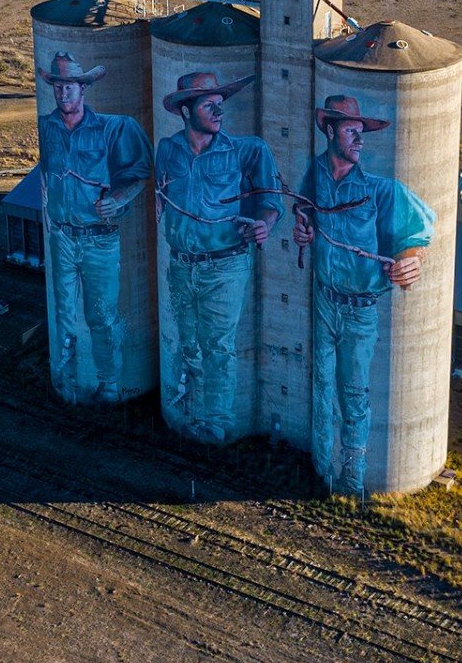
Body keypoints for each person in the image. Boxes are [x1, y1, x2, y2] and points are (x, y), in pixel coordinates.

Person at [292, 93, 435, 495]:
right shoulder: (315, 174)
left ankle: (352, 478)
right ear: (330, 131)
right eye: (351, 131)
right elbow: (303, 210)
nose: (359, 139)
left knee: (353, 393)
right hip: (323, 301)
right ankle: (322, 468)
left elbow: (416, 236)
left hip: (359, 311)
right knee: (321, 385)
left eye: (362, 132)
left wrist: (411, 261)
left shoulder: (380, 191)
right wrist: (302, 226)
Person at [153, 70, 280, 443]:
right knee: (188, 343)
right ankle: (192, 415)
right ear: (186, 111)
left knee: (218, 346)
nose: (218, 111)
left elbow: (270, 203)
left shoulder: (247, 150)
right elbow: (161, 195)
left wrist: (264, 224)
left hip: (224, 265)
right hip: (180, 264)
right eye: (208, 105)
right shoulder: (168, 149)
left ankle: (216, 425)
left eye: (220, 104)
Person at [37, 51, 151, 402]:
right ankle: (67, 381)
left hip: (99, 240)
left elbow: (139, 173)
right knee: (63, 315)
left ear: (83, 88)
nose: (63, 93)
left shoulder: (112, 128)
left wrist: (117, 199)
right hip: (61, 237)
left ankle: (110, 385)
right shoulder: (46, 127)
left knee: (100, 317)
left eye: (70, 86)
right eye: (58, 86)